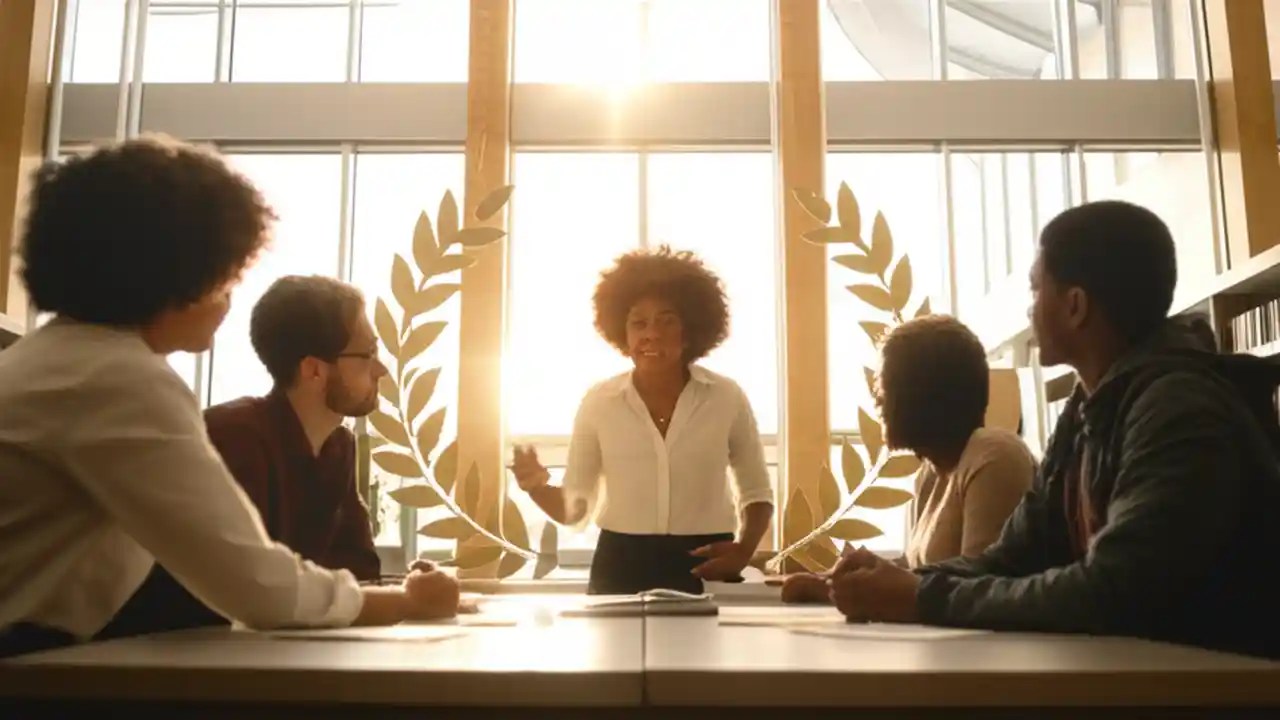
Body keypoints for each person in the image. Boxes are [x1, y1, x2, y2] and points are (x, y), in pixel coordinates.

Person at [0, 136, 461, 658]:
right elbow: (256, 587)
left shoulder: (56, 360)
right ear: (175, 273)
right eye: (226, 276)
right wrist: (407, 603)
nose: (227, 299)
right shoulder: (118, 380)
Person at [826, 200, 1280, 659]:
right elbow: (1009, 560)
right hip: (1140, 678)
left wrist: (920, 598)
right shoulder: (1089, 411)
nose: (1029, 310)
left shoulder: (1178, 409)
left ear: (1075, 306)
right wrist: (887, 584)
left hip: (1218, 691)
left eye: (1036, 288)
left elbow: (1113, 589)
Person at [510, 246, 774, 595]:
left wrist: (743, 552)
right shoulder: (598, 402)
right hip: (620, 565)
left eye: (667, 321)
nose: (651, 333)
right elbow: (575, 511)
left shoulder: (727, 397)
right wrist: (535, 486)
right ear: (623, 332)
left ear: (690, 330)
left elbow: (757, 492)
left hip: (707, 563)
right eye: (639, 323)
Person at [782, 315, 1034, 603]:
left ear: (921, 392)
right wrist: (845, 581)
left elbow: (980, 589)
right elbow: (921, 573)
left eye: (883, 387)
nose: (877, 401)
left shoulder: (995, 456)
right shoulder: (930, 472)